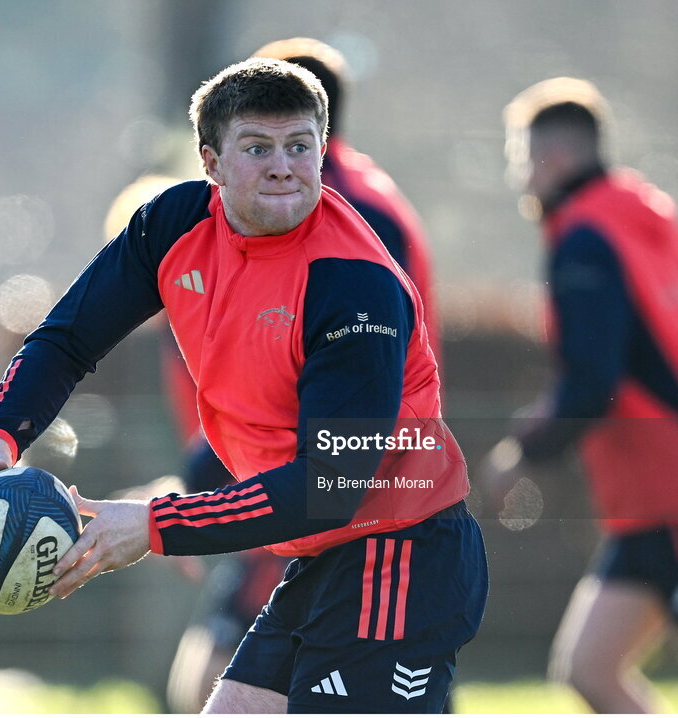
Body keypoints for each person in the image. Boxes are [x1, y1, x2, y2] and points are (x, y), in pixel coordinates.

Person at [0, 58, 487, 714]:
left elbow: (327, 490)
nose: (283, 166)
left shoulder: (352, 285)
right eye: (258, 148)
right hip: (326, 561)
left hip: (401, 554)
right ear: (210, 162)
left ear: (322, 147)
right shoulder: (172, 226)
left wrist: (154, 524)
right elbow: (68, 338)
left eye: (300, 146)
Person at [159, 37, 446, 713]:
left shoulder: (333, 213)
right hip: (320, 481)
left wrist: (198, 483)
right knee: (216, 685)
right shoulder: (371, 197)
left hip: (333, 491)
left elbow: (300, 379)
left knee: (230, 684)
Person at [495, 77, 678, 713]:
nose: (520, 181)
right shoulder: (647, 211)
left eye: (521, 161)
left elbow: (590, 382)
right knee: (588, 667)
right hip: (661, 502)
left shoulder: (582, 240)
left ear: (553, 159)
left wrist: (525, 451)